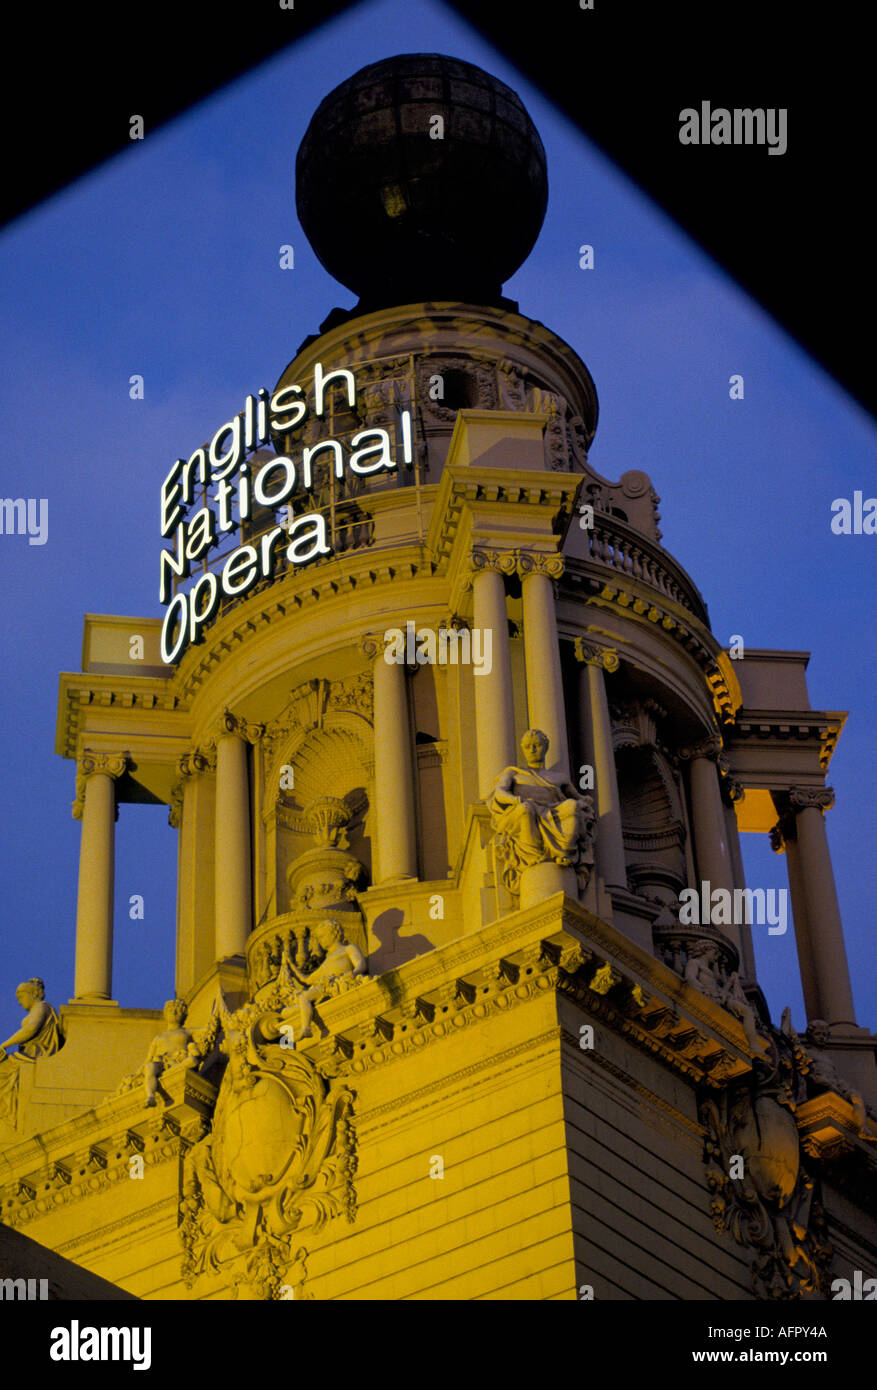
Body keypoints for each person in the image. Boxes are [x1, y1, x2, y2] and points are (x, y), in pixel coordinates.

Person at [488, 730, 594, 893]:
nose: (532, 750)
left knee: (572, 807)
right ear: (523, 749)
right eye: (528, 747)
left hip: (554, 812)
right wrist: (515, 800)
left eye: (537, 745)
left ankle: (564, 851)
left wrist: (585, 801)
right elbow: (500, 792)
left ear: (545, 748)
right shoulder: (513, 773)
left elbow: (577, 798)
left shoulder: (559, 778)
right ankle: (534, 855)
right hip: (525, 809)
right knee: (526, 809)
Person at [279, 918, 365, 1041]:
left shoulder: (348, 949)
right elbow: (307, 980)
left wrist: (353, 974)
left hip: (336, 985)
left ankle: (305, 1028)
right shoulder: (327, 962)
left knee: (303, 998)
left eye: (323, 936)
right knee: (287, 1011)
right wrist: (290, 963)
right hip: (324, 987)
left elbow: (361, 964)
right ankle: (303, 1019)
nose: (320, 940)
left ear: (333, 934)